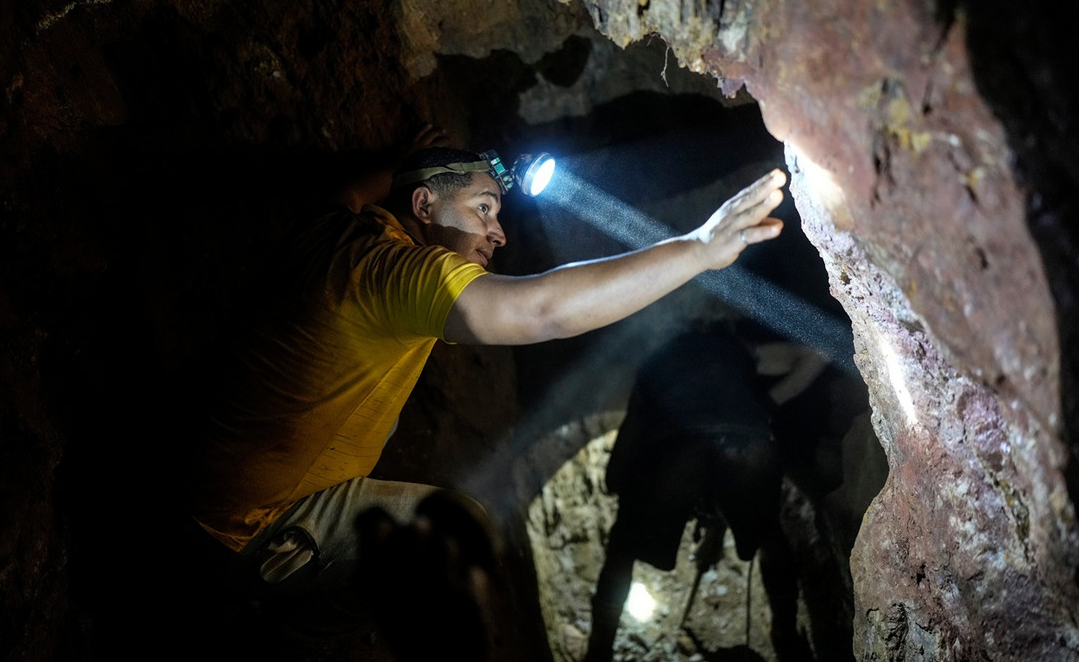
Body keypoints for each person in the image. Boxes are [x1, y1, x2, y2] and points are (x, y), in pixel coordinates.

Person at [180, 133, 787, 635]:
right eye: (484, 209)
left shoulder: (338, 230)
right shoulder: (399, 275)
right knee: (457, 528)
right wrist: (698, 249)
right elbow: (543, 311)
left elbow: (347, 191)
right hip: (244, 530)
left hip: (200, 479)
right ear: (422, 207)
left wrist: (414, 155)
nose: (499, 234)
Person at [583, 322, 813, 662]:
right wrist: (766, 406)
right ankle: (786, 636)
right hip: (748, 443)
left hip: (677, 451)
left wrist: (623, 488)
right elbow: (815, 352)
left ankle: (598, 654)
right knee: (769, 537)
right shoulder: (738, 350)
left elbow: (618, 472)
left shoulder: (656, 361)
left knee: (623, 545)